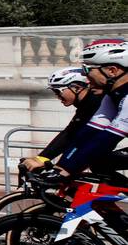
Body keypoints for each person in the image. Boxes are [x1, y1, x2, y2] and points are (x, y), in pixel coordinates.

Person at [57, 39, 128, 177]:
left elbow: (107, 139)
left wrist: (68, 171)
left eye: (87, 69)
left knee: (98, 160)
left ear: (112, 71)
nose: (85, 77)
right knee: (99, 163)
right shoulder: (112, 96)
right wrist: (60, 166)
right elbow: (89, 134)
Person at [20, 67, 103, 173]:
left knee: (100, 163)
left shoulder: (94, 102)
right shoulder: (85, 104)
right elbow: (70, 133)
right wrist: (42, 158)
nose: (57, 96)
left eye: (58, 91)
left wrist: (45, 160)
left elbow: (72, 135)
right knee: (97, 165)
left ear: (76, 88)